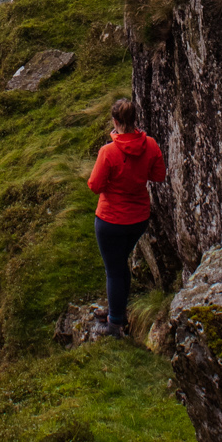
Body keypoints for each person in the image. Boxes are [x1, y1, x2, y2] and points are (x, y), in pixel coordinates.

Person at [87, 97, 166, 339]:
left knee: (114, 270)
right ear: (134, 119)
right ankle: (117, 312)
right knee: (120, 265)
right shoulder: (150, 144)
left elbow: (94, 185)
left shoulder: (108, 152)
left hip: (111, 220)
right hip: (138, 219)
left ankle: (114, 325)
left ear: (115, 121)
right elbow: (159, 175)